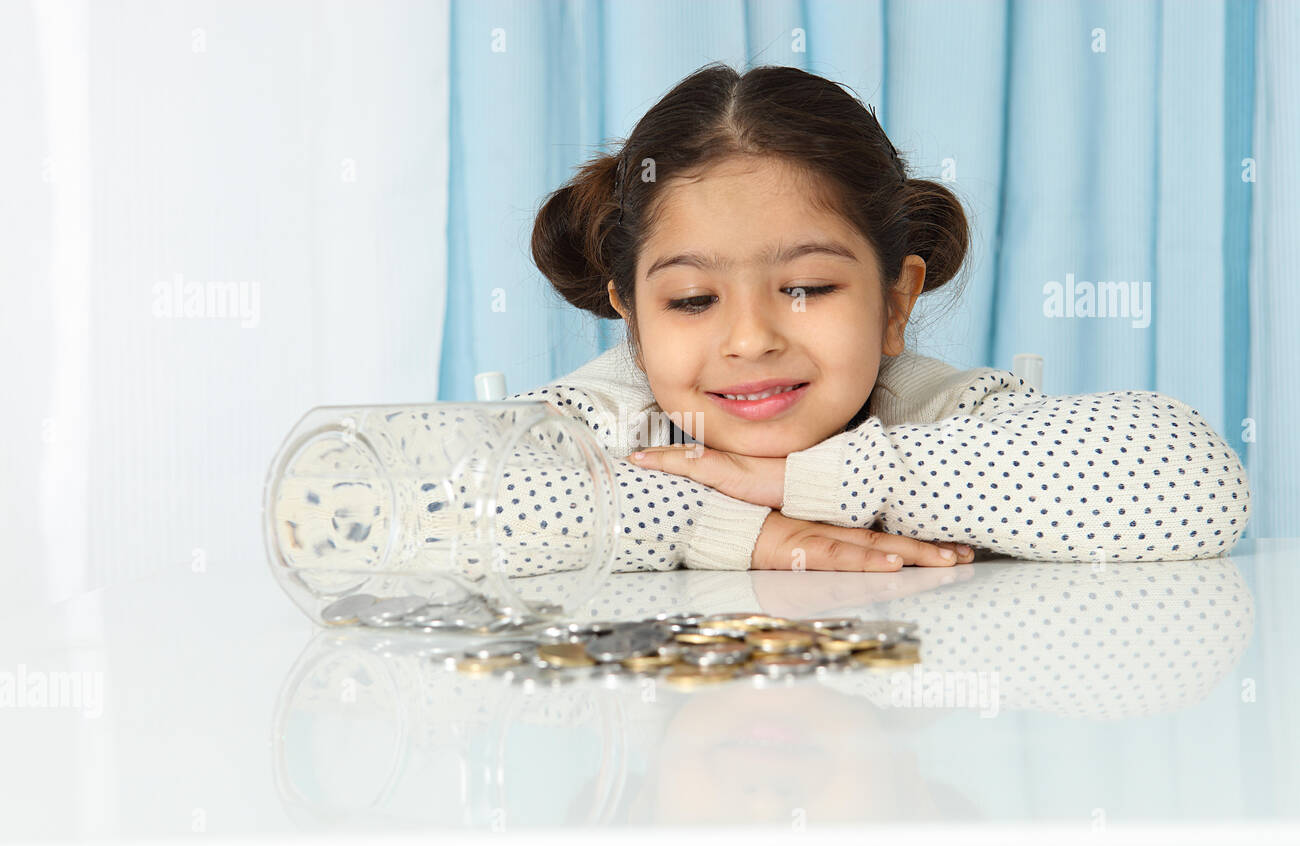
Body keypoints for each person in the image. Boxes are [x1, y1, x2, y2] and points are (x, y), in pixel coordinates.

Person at [508, 62, 1250, 573]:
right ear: (633, 321)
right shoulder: (601, 423)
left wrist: (821, 480)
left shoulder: (936, 413)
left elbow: (1196, 486)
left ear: (895, 301)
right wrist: (745, 531)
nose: (751, 339)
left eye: (807, 287)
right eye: (693, 301)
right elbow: (420, 507)